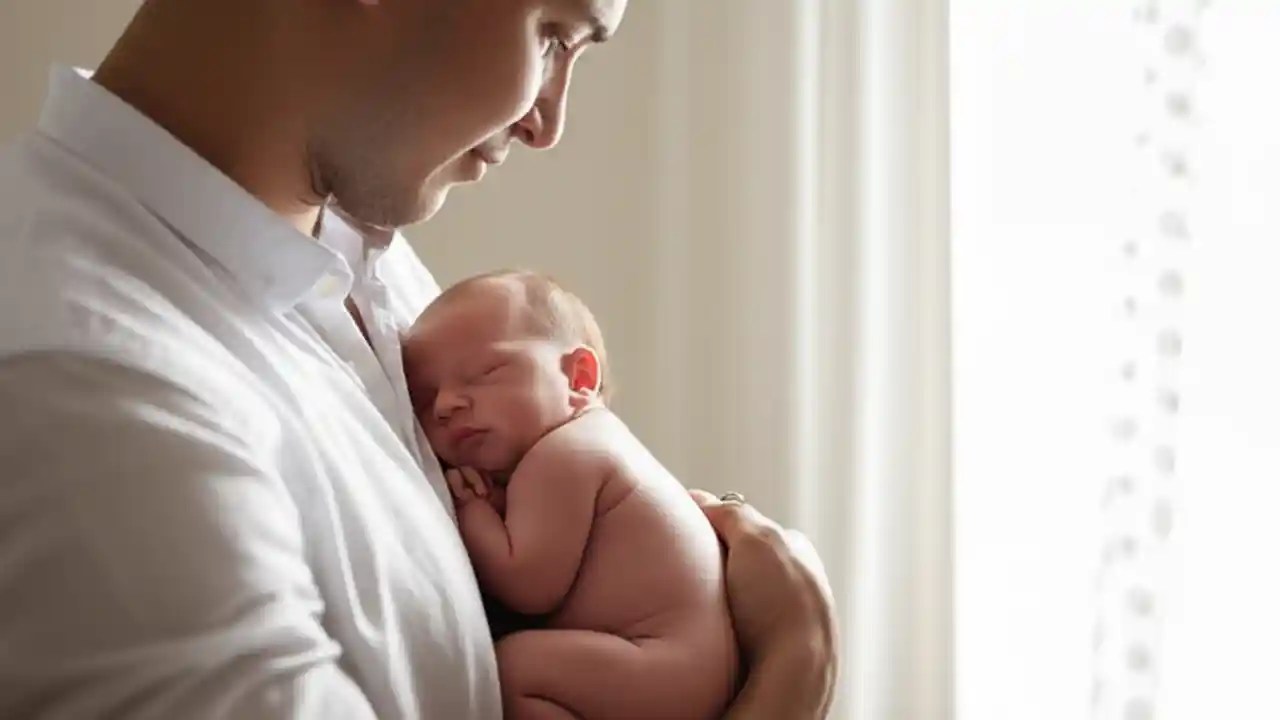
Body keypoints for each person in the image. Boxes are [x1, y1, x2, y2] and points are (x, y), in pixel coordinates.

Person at [0, 0, 837, 718]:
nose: (547, 124)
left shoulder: (365, 266)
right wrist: (790, 678)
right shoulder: (93, 392)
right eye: (552, 34)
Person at [405, 270, 738, 719]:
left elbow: (528, 586)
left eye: (485, 374)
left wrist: (471, 510)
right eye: (424, 398)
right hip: (685, 669)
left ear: (579, 377)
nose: (447, 404)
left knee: (517, 668)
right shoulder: (588, 442)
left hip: (659, 665)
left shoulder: (563, 455)